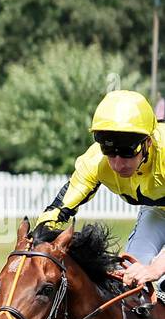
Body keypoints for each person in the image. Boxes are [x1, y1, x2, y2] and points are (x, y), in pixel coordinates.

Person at [32, 90, 165, 288]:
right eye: (109, 150)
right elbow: (55, 213)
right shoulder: (95, 162)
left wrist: (155, 268)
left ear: (148, 143)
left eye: (128, 151)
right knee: (128, 278)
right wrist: (35, 242)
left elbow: (155, 269)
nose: (118, 164)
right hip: (157, 212)